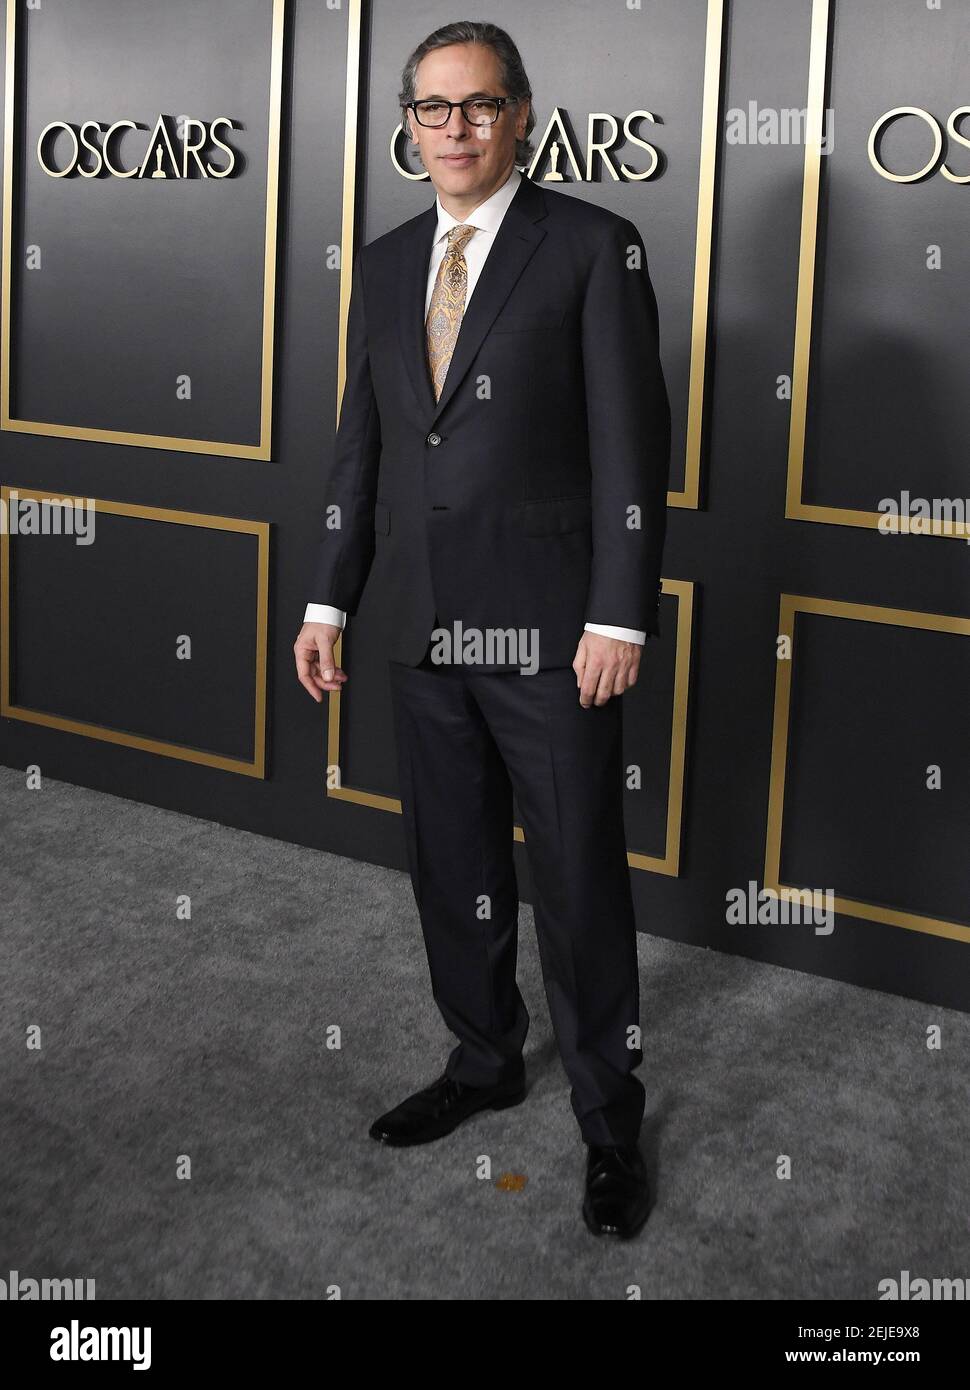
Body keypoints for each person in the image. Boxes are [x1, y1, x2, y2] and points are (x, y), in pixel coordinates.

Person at [294, 20, 671, 1239]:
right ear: (407, 124)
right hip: (416, 626)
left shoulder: (591, 246)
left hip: (557, 633)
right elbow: (365, 444)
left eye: (479, 105)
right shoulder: (390, 256)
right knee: (451, 864)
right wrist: (326, 597)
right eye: (432, 108)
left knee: (575, 880)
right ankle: (482, 1058)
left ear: (522, 116)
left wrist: (620, 609)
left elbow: (631, 442)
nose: (453, 128)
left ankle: (611, 1125)